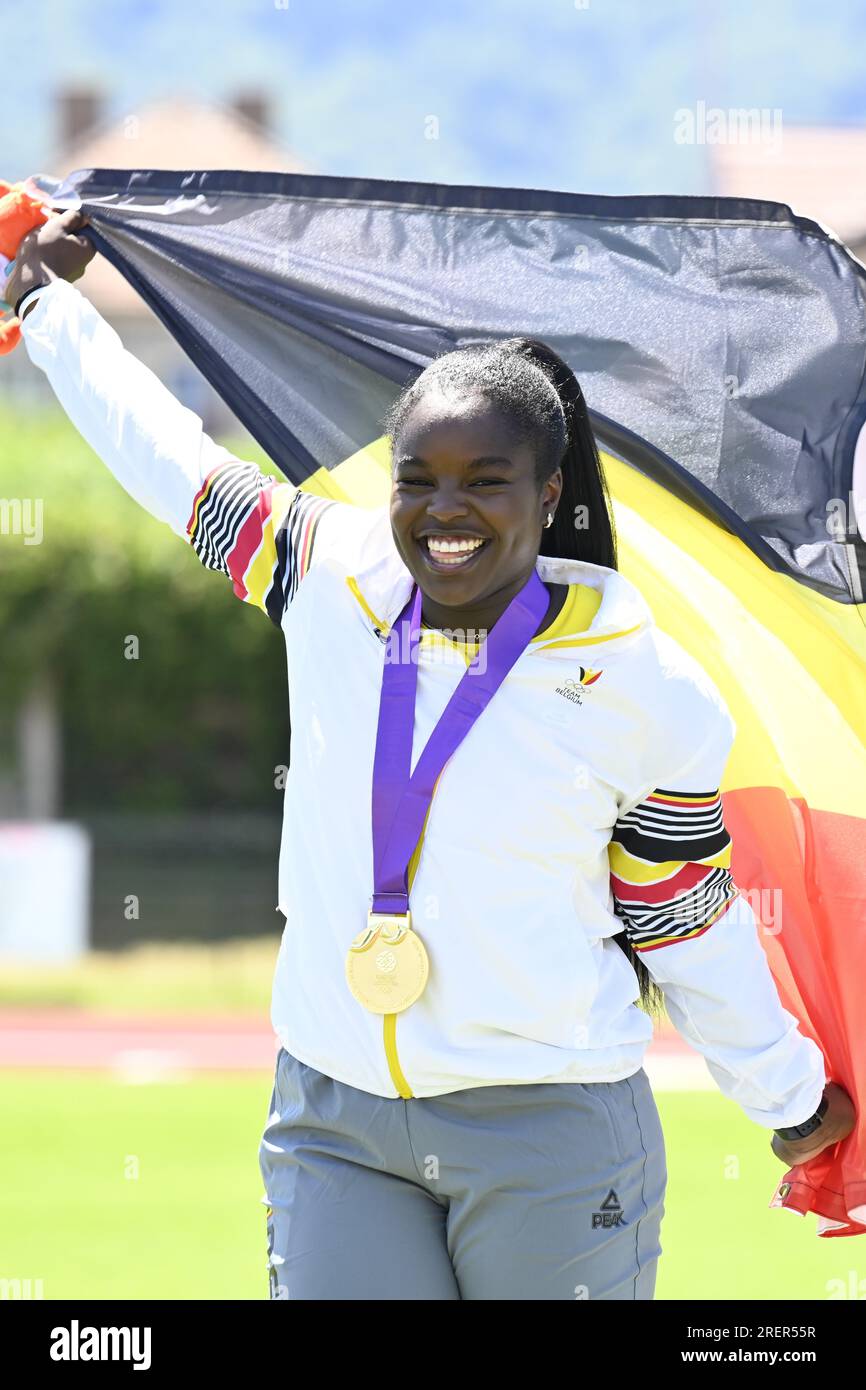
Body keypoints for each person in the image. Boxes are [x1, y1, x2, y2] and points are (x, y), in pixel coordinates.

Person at [5, 212, 855, 1301]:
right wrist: (50, 308)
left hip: (549, 1127)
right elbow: (175, 466)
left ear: (548, 496)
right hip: (335, 1120)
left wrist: (784, 1093)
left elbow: (680, 915)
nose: (444, 512)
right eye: (418, 479)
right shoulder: (322, 575)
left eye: (485, 481)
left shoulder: (643, 684)